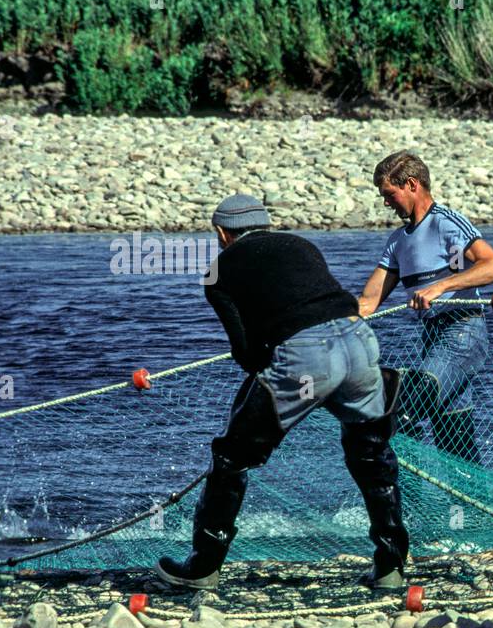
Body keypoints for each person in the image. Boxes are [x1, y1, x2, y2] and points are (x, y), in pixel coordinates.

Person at [155, 194, 410, 593]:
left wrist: (266, 390)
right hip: (360, 341)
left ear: (223, 233)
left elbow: (245, 352)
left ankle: (203, 567)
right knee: (372, 454)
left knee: (232, 458)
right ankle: (391, 567)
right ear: (267, 225)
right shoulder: (302, 245)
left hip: (306, 358)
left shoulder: (217, 271)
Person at [358, 152, 493, 464]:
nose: (386, 204)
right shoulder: (397, 241)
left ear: (412, 185)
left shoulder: (447, 223)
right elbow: (368, 303)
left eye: (389, 195)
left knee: (405, 413)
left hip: (463, 335)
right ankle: (469, 513)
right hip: (432, 342)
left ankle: (400, 509)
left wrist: (441, 286)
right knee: (455, 441)